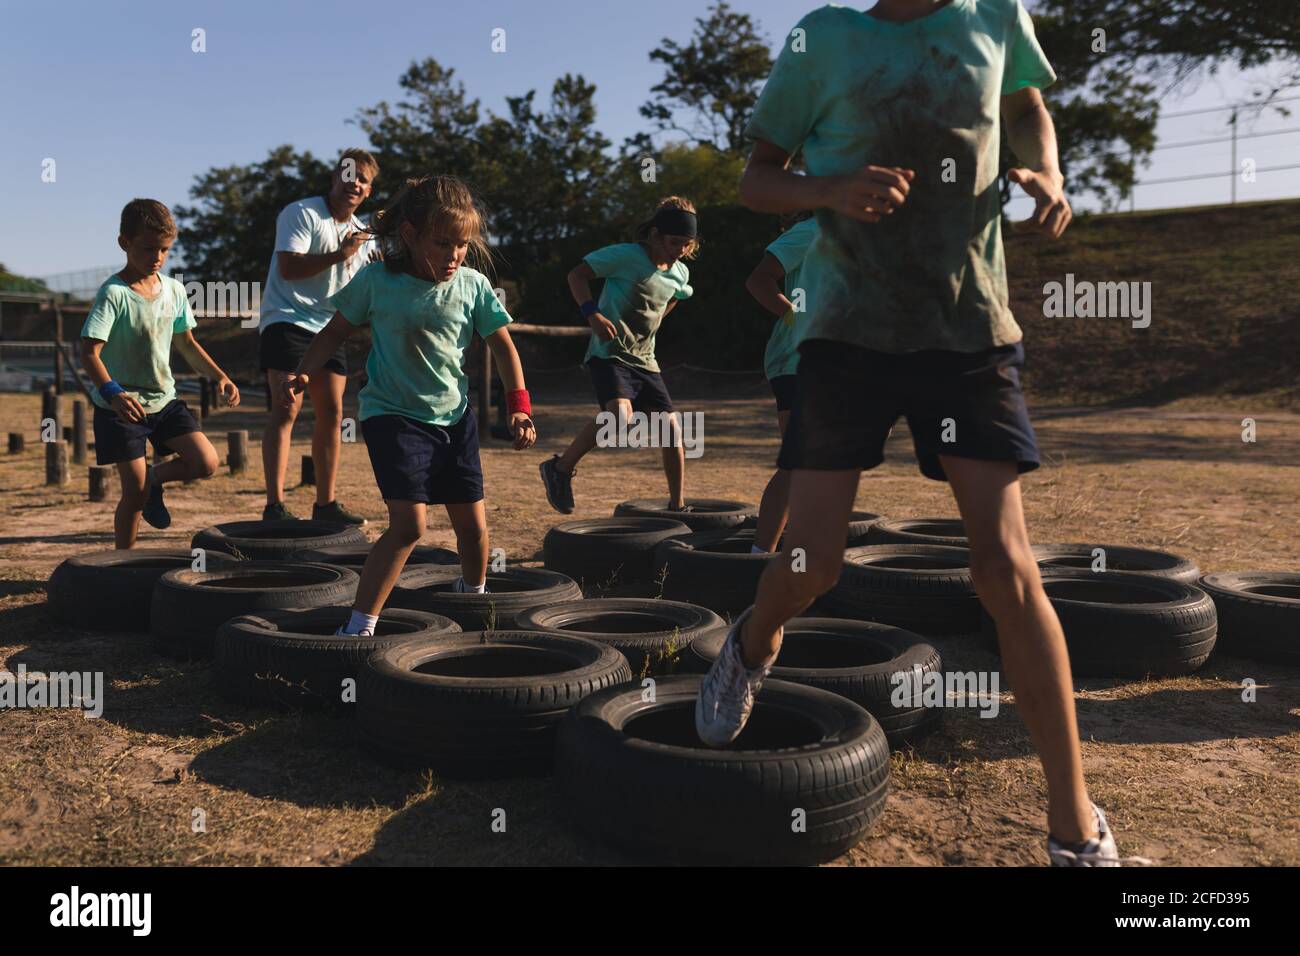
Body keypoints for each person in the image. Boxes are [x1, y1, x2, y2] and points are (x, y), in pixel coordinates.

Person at [695, 0, 1127, 866]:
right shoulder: (824, 37)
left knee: (1007, 570)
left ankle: (1074, 828)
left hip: (967, 330)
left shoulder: (997, 17)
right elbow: (757, 178)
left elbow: (1027, 105)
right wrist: (830, 190)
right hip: (846, 335)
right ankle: (752, 642)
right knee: (815, 561)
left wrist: (1045, 171)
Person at [285, 175, 536, 636]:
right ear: (410, 235)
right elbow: (335, 332)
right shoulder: (377, 281)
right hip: (392, 416)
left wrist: (519, 406)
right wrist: (305, 370)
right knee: (408, 526)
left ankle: (472, 603)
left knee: (474, 529)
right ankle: (359, 626)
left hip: (455, 418)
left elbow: (503, 347)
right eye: (443, 244)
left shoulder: (473, 285)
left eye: (462, 245)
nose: (454, 255)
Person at [80, 199, 239, 548]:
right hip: (120, 408)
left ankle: (155, 479)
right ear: (124, 243)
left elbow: (187, 344)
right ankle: (123, 563)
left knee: (206, 462)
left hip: (164, 401)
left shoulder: (175, 290)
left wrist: (220, 376)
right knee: (133, 495)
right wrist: (112, 392)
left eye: (165, 250)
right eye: (148, 248)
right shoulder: (114, 294)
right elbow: (89, 352)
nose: (157, 257)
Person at [538, 197, 697, 514]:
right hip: (609, 353)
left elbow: (678, 295)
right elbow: (577, 275)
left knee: (673, 430)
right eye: (675, 242)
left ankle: (677, 506)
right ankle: (560, 469)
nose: (680, 249)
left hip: (646, 360)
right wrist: (592, 314)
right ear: (655, 235)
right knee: (620, 416)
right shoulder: (626, 256)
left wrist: (658, 319)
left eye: (687, 244)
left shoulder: (680, 273)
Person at [258, 148, 380, 524]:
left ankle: (325, 504)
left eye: (363, 179)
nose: (354, 183)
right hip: (287, 318)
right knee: (286, 407)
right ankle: (274, 506)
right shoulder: (301, 213)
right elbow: (289, 268)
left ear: (369, 191)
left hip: (329, 329)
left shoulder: (365, 235)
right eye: (349, 175)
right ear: (334, 178)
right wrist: (338, 254)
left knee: (334, 413)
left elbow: (370, 281)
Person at [744, 213, 818, 552]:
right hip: (797, 358)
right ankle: (759, 559)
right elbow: (759, 281)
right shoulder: (811, 232)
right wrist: (797, 318)